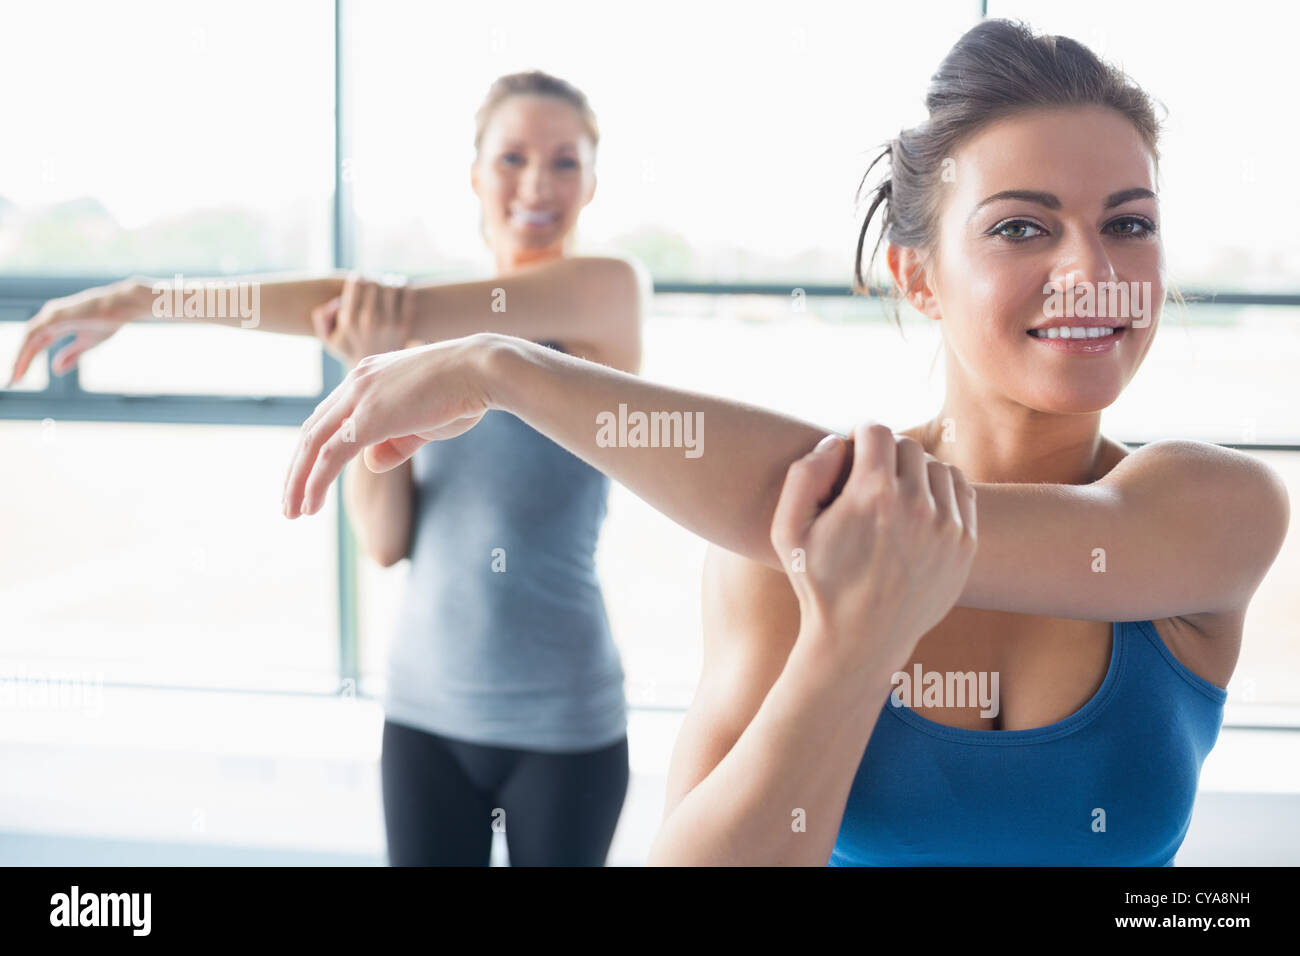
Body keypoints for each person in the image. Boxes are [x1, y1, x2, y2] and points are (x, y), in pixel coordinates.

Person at [278, 21, 1290, 866]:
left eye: (1130, 223)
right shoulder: (769, 561)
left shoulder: (1214, 511)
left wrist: (505, 369)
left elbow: (900, 517)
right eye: (1022, 229)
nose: (1090, 270)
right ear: (917, 276)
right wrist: (849, 647)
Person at [6, 70, 647, 867]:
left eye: (564, 161)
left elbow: (371, 303)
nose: (536, 184)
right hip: (424, 714)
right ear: (475, 174)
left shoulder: (607, 297)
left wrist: (141, 298)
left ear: (592, 182)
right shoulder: (413, 343)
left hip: (564, 728)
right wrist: (369, 375)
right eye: (512, 158)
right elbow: (386, 543)